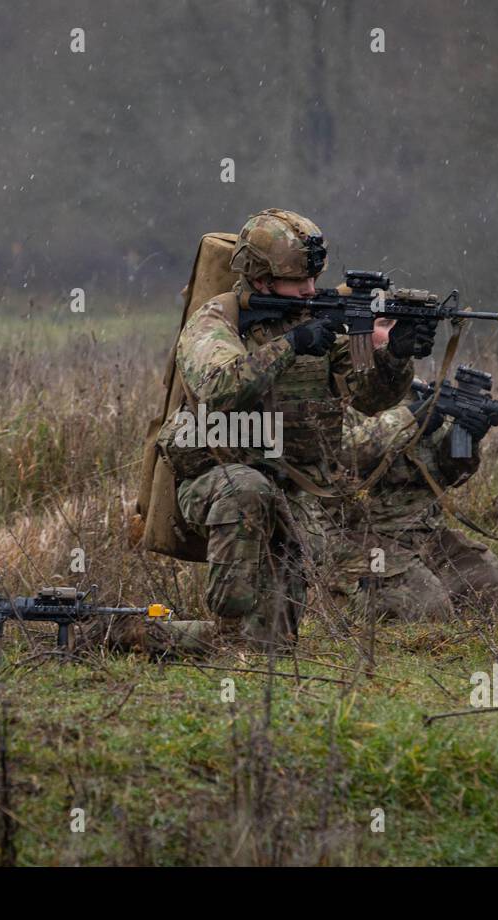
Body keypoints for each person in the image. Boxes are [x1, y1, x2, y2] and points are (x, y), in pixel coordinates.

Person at [154, 208, 435, 648]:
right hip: (217, 475)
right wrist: (291, 345)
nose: (309, 290)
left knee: (269, 642)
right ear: (262, 280)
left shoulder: (314, 317)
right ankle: (172, 627)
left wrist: (396, 357)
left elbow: (370, 398)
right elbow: (218, 387)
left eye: (312, 279)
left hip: (295, 485)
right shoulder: (216, 321)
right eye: (297, 282)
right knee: (246, 490)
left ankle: (206, 638)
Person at [335, 388, 498, 619]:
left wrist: (464, 437)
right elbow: (343, 456)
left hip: (427, 536)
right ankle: (340, 595)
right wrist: (409, 419)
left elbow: (449, 476)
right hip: (368, 539)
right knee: (432, 611)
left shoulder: (420, 395)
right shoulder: (342, 400)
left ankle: (432, 584)